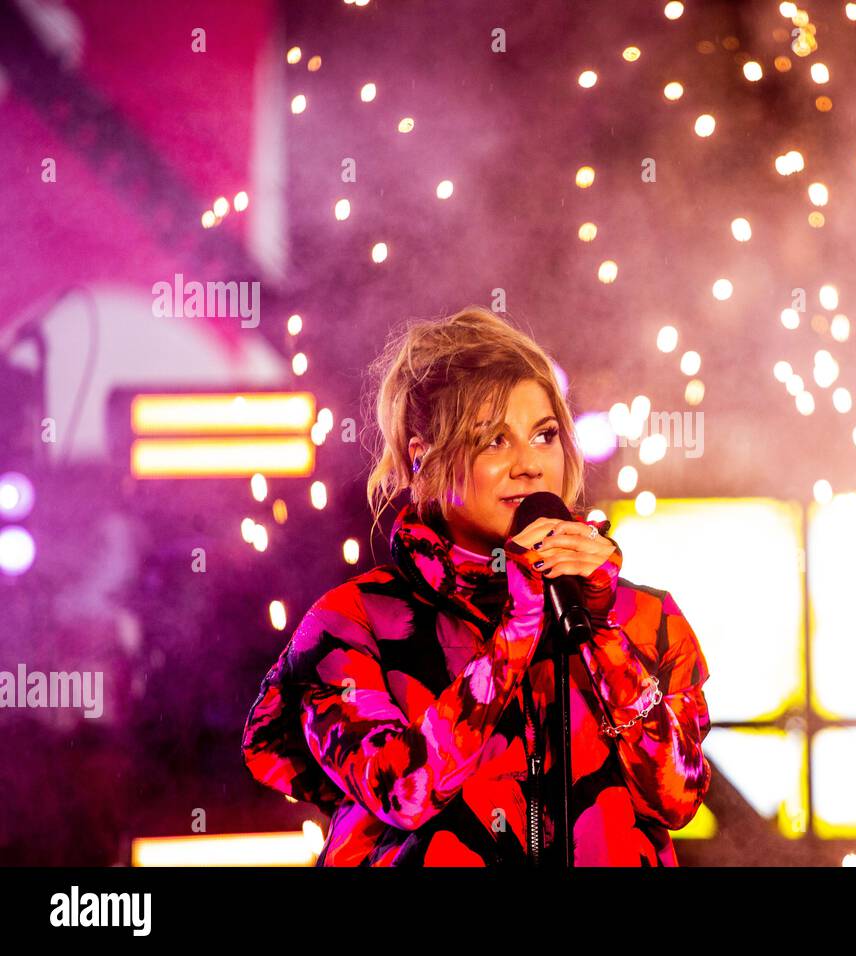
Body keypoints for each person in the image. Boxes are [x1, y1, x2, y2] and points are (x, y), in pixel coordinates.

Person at [240, 305, 713, 865]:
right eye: (494, 441)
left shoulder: (639, 617)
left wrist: (604, 635)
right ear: (424, 459)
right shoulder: (354, 623)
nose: (529, 466)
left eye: (543, 436)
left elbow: (678, 798)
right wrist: (516, 636)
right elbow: (405, 790)